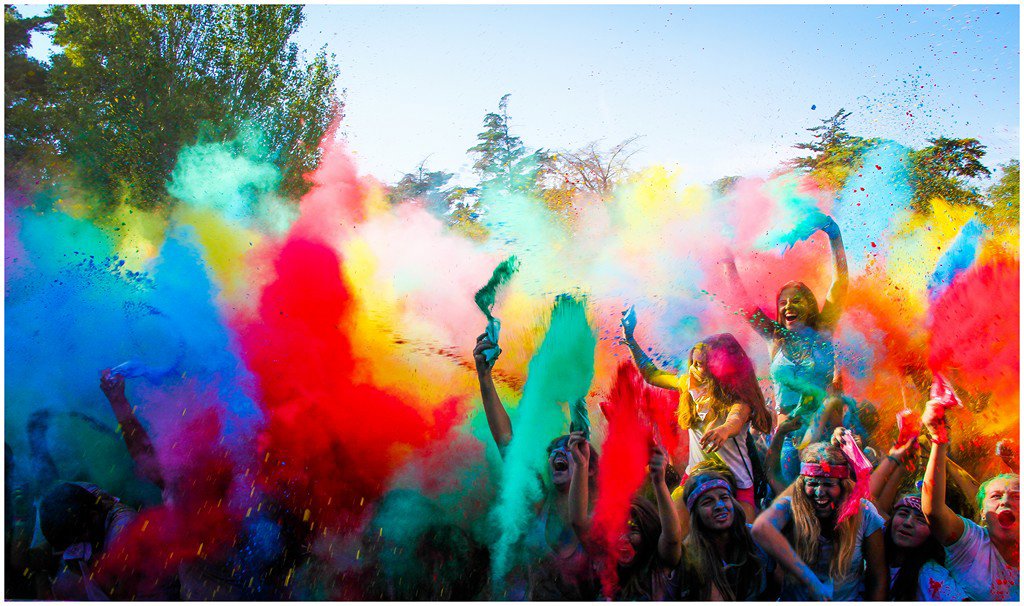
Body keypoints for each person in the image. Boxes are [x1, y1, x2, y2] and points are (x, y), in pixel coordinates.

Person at [473, 333, 600, 600]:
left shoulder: (602, 516)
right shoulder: (539, 503)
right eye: (552, 451)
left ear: (589, 467)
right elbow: (508, 443)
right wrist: (484, 377)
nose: (557, 453)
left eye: (568, 447)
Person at [722, 215, 848, 481]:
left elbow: (840, 283)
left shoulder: (823, 332)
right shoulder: (774, 339)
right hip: (788, 439)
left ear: (811, 306)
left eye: (797, 301)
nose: (789, 306)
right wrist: (728, 260)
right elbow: (742, 302)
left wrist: (834, 235)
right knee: (790, 505)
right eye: (783, 302)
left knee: (828, 505)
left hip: (827, 435)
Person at [620, 321, 772, 521]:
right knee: (675, 531)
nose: (693, 369)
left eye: (700, 365)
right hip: (696, 476)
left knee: (746, 535)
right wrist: (630, 339)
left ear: (720, 369)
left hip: (737, 481)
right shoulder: (688, 385)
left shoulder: (738, 398)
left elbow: (736, 418)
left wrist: (724, 429)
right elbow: (652, 374)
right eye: (693, 362)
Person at [751, 434, 887, 601]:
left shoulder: (864, 513)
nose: (820, 492)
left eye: (829, 484)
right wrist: (813, 583)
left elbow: (878, 576)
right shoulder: (791, 507)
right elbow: (760, 528)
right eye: (812, 483)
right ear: (802, 484)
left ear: (843, 487)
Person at [920, 391, 1020, 601]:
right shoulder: (973, 545)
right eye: (995, 496)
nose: (1005, 501)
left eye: (1017, 496)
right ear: (982, 513)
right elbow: (934, 511)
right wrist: (939, 439)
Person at [567, 438, 682, 600]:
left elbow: (672, 539)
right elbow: (578, 522)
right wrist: (581, 465)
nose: (623, 538)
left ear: (648, 532)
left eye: (633, 529)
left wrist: (659, 482)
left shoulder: (658, 568)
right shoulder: (605, 562)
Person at [672, 470, 778, 601]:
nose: (719, 506)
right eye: (707, 502)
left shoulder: (757, 537)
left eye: (724, 498)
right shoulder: (688, 555)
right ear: (695, 513)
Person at [885, 492, 966, 601]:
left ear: (934, 532)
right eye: (903, 514)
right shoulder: (873, 558)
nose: (908, 523)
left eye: (921, 520)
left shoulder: (930, 574)